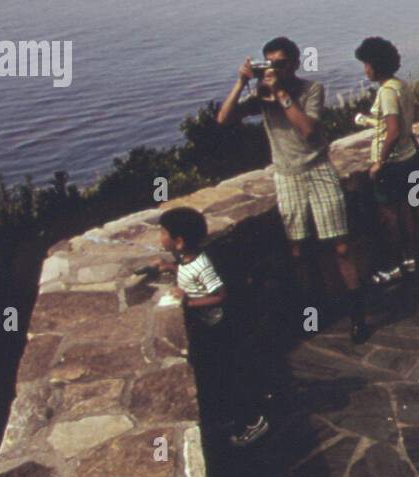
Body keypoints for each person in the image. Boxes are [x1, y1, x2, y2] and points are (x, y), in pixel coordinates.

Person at [217, 37, 369, 343]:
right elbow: (223, 119)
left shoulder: (311, 89)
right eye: (269, 63)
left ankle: (357, 315)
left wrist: (281, 93)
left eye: (281, 63)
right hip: (287, 176)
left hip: (318, 170)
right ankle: (313, 312)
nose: (275, 69)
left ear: (295, 63)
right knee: (298, 250)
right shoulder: (262, 95)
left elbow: (307, 129)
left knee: (340, 246)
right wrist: (240, 82)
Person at [152, 207, 268, 448]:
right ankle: (230, 415)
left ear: (179, 241)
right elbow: (187, 271)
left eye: (163, 233)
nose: (159, 238)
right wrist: (170, 268)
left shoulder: (202, 265)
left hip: (217, 329)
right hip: (207, 328)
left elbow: (220, 295)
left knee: (227, 377)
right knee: (217, 376)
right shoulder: (187, 259)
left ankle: (252, 420)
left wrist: (189, 303)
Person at [355, 36, 419, 286]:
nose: (365, 69)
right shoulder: (401, 85)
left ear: (376, 65)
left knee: (390, 217)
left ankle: (393, 266)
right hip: (410, 156)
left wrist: (379, 162)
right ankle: (411, 259)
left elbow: (393, 130)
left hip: (393, 163)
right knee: (407, 211)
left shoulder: (386, 92)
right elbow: (413, 116)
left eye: (366, 64)